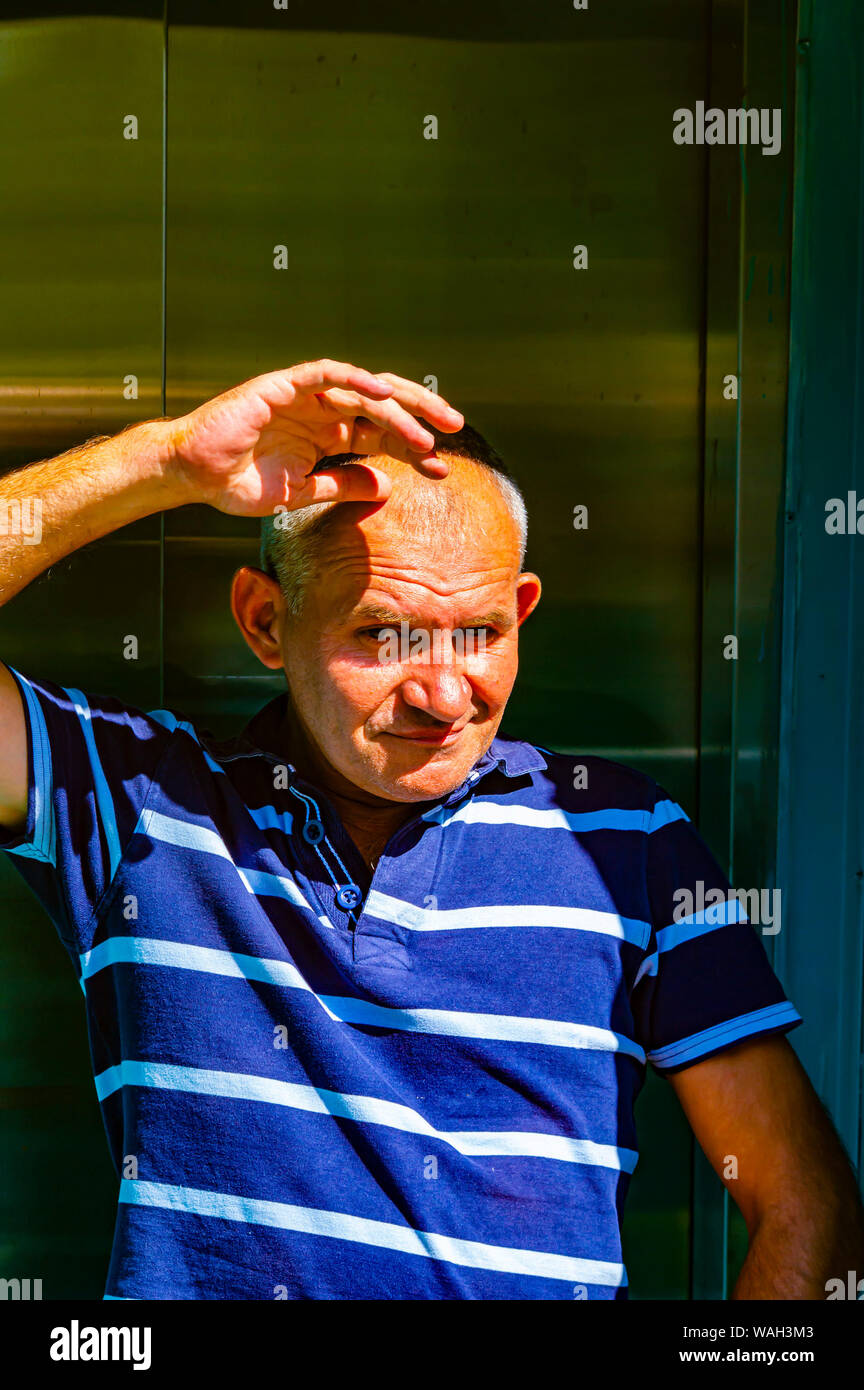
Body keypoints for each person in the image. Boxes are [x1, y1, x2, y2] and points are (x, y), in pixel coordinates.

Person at [0, 359, 861, 1300]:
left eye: (482, 633)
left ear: (525, 611)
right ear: (263, 621)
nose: (445, 694)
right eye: (383, 635)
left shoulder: (628, 842)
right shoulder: (139, 805)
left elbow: (803, 1208)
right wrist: (165, 460)